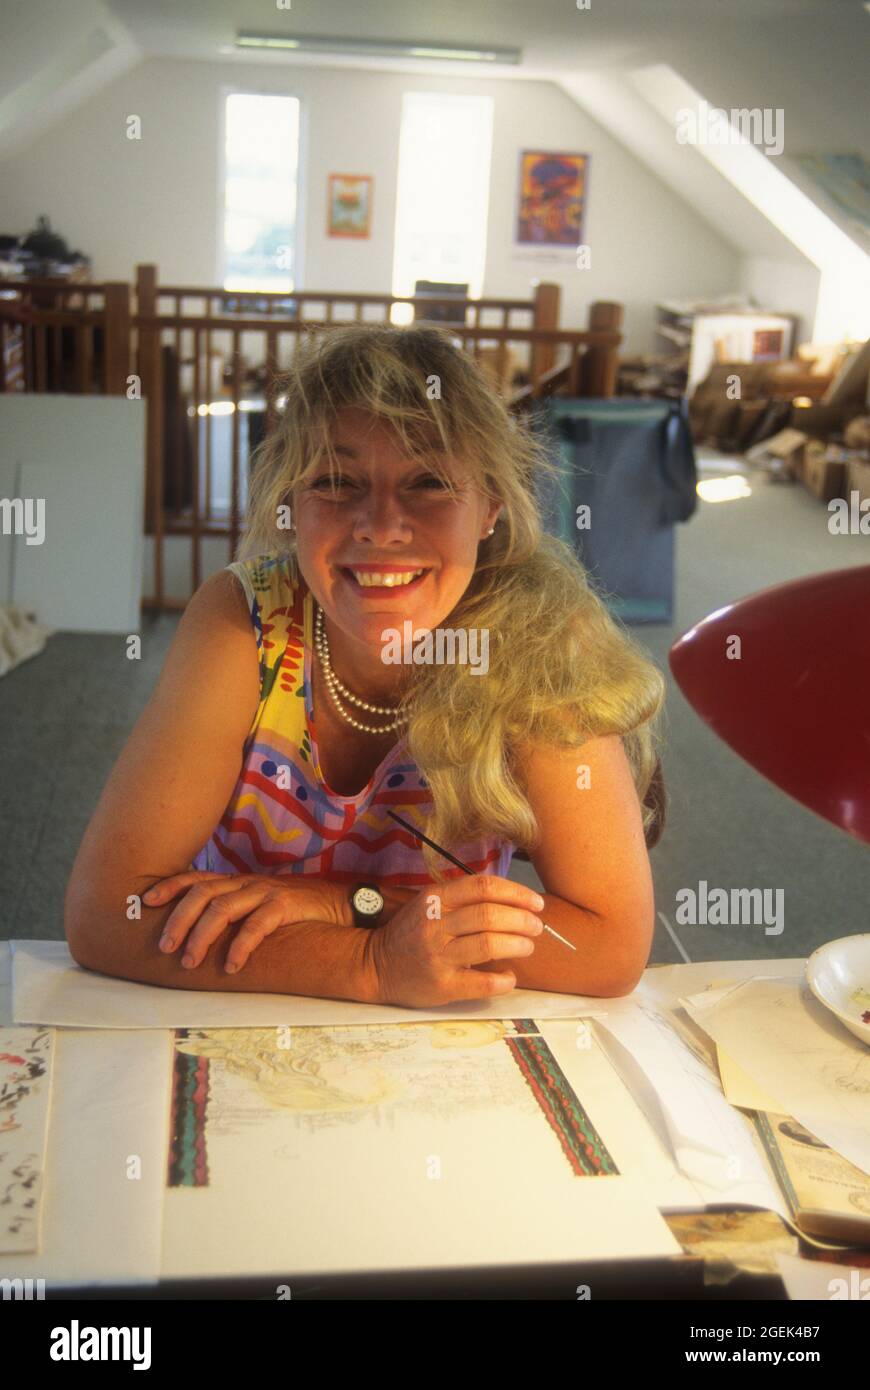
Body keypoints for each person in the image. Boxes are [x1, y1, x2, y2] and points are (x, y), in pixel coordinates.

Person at [65, 325, 665, 1008]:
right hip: (232, 1013)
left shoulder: (541, 639)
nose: (381, 525)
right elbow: (108, 912)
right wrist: (373, 964)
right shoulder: (242, 621)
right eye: (337, 481)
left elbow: (611, 942)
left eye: (430, 481)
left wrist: (351, 907)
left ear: (491, 506)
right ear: (290, 507)